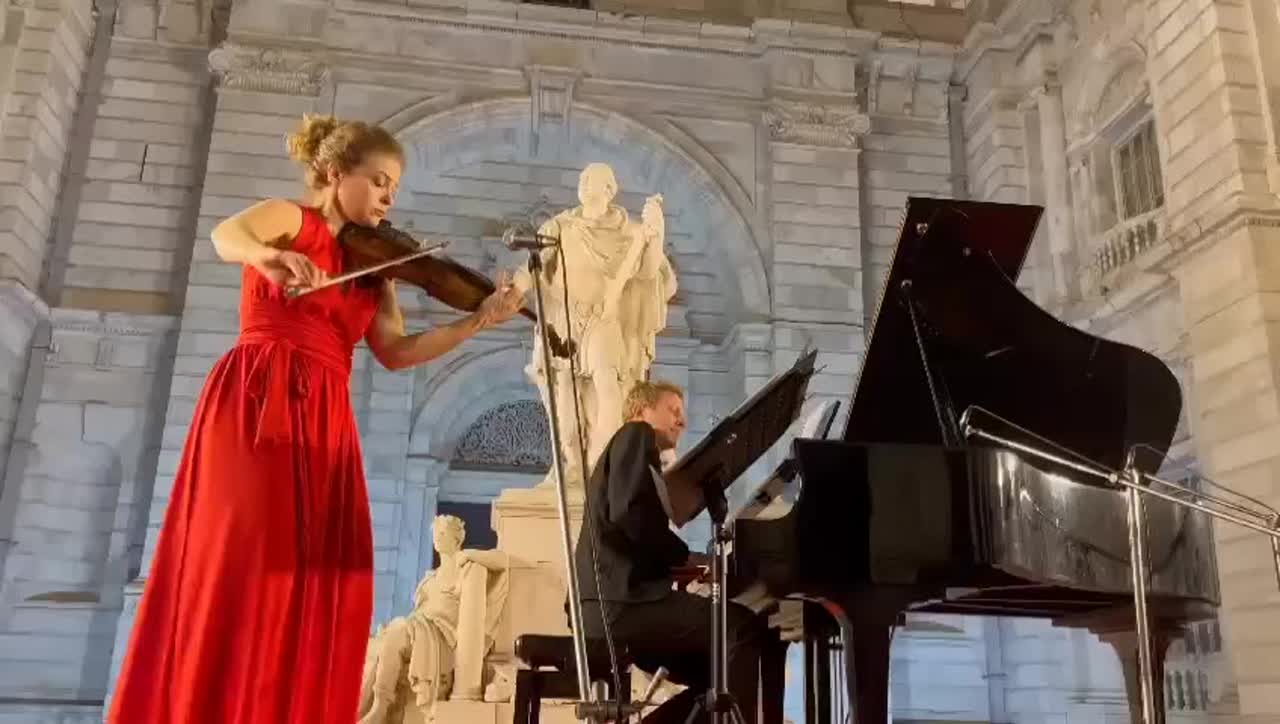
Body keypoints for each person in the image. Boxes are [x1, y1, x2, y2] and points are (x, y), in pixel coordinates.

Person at [107, 113, 524, 724]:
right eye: (378, 181)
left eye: (394, 189)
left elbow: (396, 352)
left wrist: (478, 320)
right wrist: (267, 257)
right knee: (244, 560)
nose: (388, 199)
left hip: (326, 415)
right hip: (258, 396)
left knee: (320, 575)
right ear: (333, 173)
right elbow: (226, 235)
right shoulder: (291, 220)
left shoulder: (375, 273)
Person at [572, 381, 786, 724]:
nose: (682, 421)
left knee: (715, 670)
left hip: (609, 604)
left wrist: (682, 566)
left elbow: (630, 534)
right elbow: (629, 514)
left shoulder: (632, 456)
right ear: (642, 410)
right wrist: (684, 557)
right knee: (741, 627)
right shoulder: (635, 433)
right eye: (673, 410)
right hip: (619, 605)